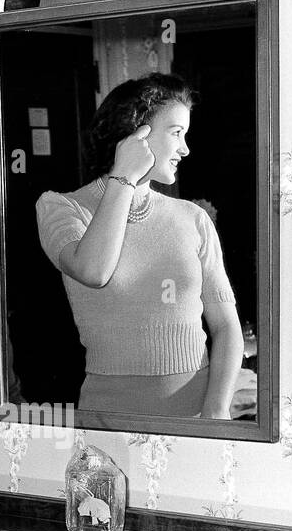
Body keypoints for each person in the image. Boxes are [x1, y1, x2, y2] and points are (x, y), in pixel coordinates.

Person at [35, 72, 243, 423]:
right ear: (136, 134)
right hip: (109, 424)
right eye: (176, 133)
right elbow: (94, 271)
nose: (185, 149)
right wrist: (124, 177)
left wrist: (215, 413)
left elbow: (226, 328)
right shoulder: (61, 208)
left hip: (197, 421)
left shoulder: (194, 218)